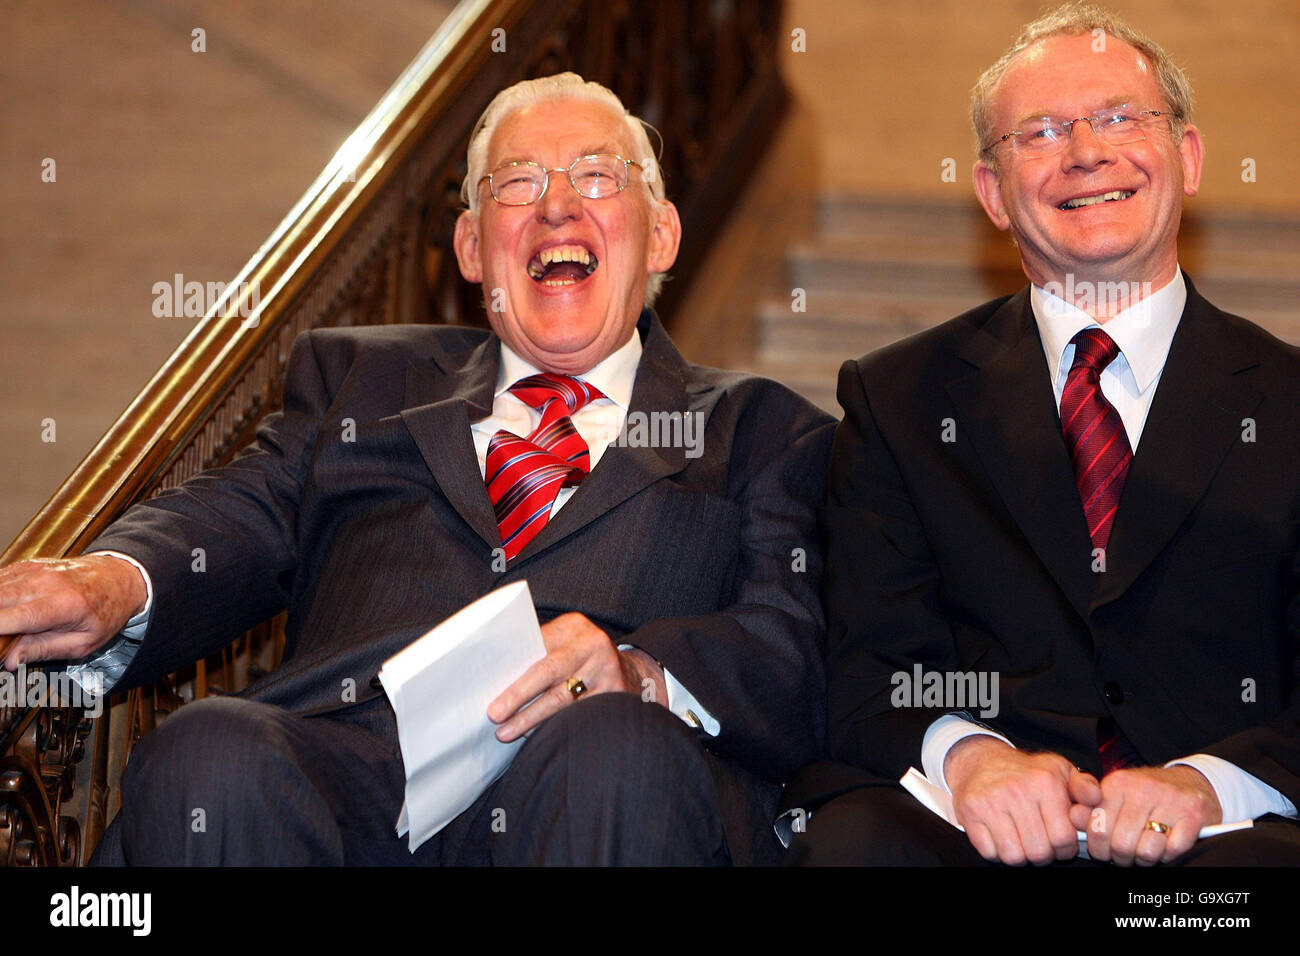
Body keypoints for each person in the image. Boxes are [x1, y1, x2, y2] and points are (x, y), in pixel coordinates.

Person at [0, 72, 834, 865]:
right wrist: (112, 580)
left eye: (596, 174)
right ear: (471, 248)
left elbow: (791, 653)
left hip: (592, 784)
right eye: (516, 183)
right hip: (341, 784)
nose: (555, 205)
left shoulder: (762, 430)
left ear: (663, 234)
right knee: (209, 750)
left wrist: (640, 673)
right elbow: (238, 512)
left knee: (610, 749)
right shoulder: (365, 380)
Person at [783, 3, 1300, 866]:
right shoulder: (898, 400)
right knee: (853, 847)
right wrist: (973, 758)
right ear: (992, 191)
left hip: (1223, 849)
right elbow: (869, 670)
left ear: (1190, 156)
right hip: (978, 837)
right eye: (1043, 131)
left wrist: (1208, 783)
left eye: (1120, 118)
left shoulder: (1289, 403)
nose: (1087, 151)